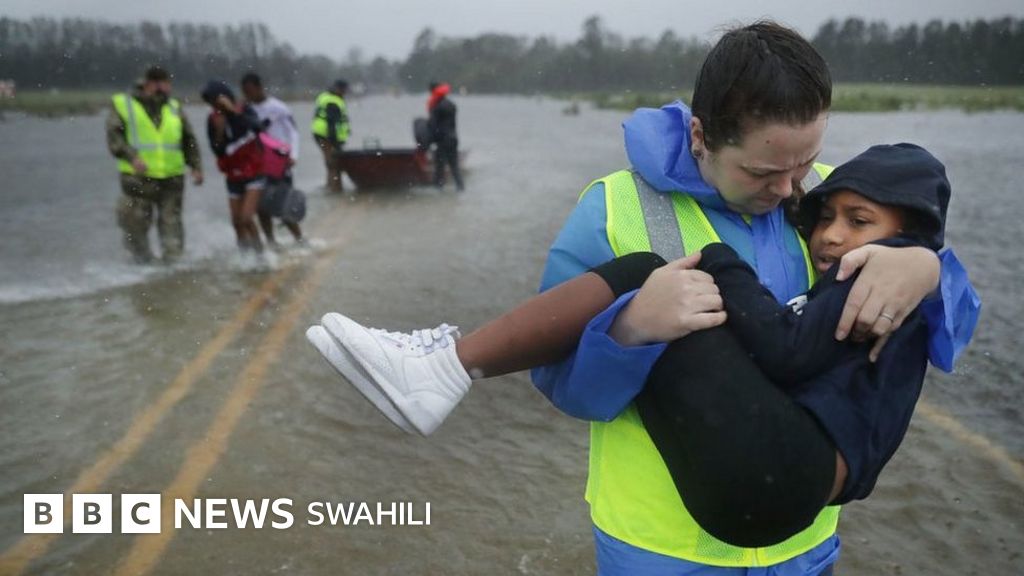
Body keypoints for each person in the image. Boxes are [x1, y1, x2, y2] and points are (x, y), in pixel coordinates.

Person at [309, 22, 976, 575]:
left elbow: (950, 336)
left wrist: (926, 267)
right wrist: (628, 333)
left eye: (806, 162)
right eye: (763, 171)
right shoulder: (612, 210)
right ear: (700, 137)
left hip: (800, 545)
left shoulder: (838, 204)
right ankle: (448, 368)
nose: (789, 188)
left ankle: (442, 364)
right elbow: (560, 387)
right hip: (658, 550)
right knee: (636, 277)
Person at [106, 66, 203, 264]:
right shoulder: (124, 104)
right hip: (138, 177)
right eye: (164, 84)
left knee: (171, 223)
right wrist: (131, 157)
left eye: (168, 84)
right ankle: (142, 264)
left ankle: (173, 267)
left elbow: (188, 139)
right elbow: (114, 137)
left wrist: (196, 166)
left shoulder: (174, 107)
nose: (168, 89)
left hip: (171, 177)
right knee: (135, 221)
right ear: (151, 84)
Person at [201, 80, 270, 255]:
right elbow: (217, 151)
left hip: (255, 171)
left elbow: (258, 128)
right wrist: (219, 131)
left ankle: (260, 256)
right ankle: (245, 258)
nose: (215, 106)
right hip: (233, 174)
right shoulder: (213, 119)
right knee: (236, 222)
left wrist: (232, 113)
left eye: (216, 101)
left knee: (246, 218)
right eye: (211, 103)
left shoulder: (244, 109)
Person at [240, 72, 305, 249]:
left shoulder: (279, 108)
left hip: (280, 162)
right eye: (245, 92)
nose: (248, 95)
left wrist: (294, 155)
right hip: (258, 164)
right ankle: (270, 240)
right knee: (262, 205)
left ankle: (299, 239)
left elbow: (293, 132)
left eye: (250, 91)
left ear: (259, 87)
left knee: (284, 201)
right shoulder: (246, 110)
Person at [311, 79, 350, 193]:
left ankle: (330, 185)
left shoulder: (325, 96)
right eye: (344, 90)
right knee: (333, 162)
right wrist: (335, 142)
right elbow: (331, 123)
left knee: (330, 161)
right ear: (339, 89)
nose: (345, 93)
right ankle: (335, 189)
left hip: (320, 133)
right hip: (326, 135)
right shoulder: (333, 101)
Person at [427, 81, 464, 191]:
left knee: (439, 167)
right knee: (454, 166)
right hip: (453, 139)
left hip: (442, 141)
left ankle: (439, 190)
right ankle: (460, 188)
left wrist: (430, 140)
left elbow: (433, 125)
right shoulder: (452, 105)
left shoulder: (437, 107)